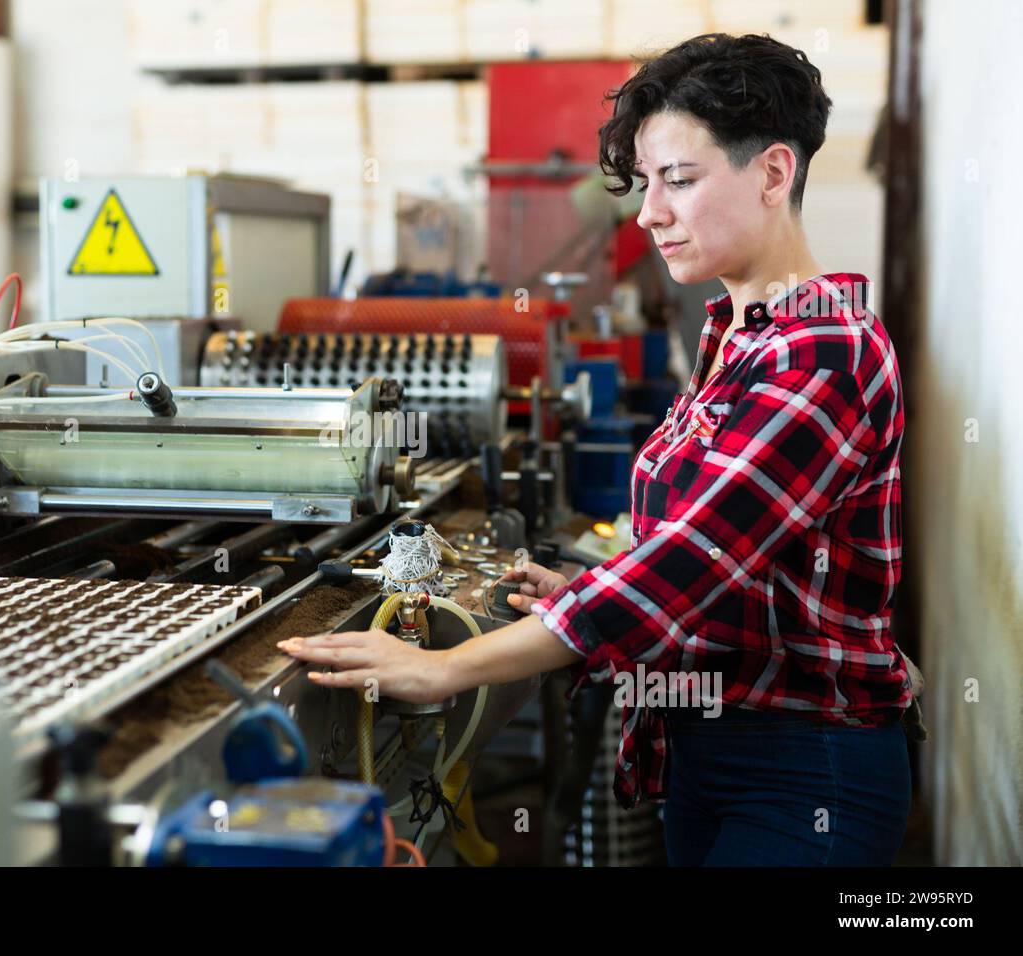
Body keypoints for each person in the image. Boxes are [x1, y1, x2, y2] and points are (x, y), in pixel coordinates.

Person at [278, 33, 915, 866]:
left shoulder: (824, 351)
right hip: (705, 748)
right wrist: (589, 590)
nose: (649, 212)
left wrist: (452, 668)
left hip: (802, 769)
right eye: (647, 184)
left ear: (772, 173)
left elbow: (690, 559)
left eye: (679, 181)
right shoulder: (736, 336)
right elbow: (728, 564)